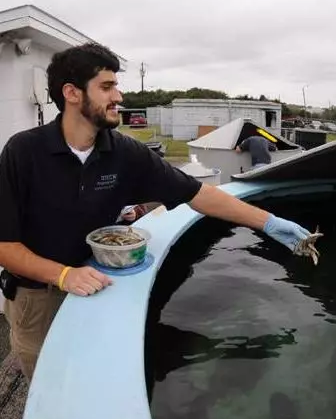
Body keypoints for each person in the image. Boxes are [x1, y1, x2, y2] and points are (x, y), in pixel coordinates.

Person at [0, 43, 318, 381]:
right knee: (49, 385)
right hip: (38, 297)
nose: (118, 96)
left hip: (103, 283)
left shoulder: (124, 152)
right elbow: (5, 246)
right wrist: (64, 276)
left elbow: (198, 194)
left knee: (95, 378)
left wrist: (267, 222)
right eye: (107, 87)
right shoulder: (24, 152)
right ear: (72, 93)